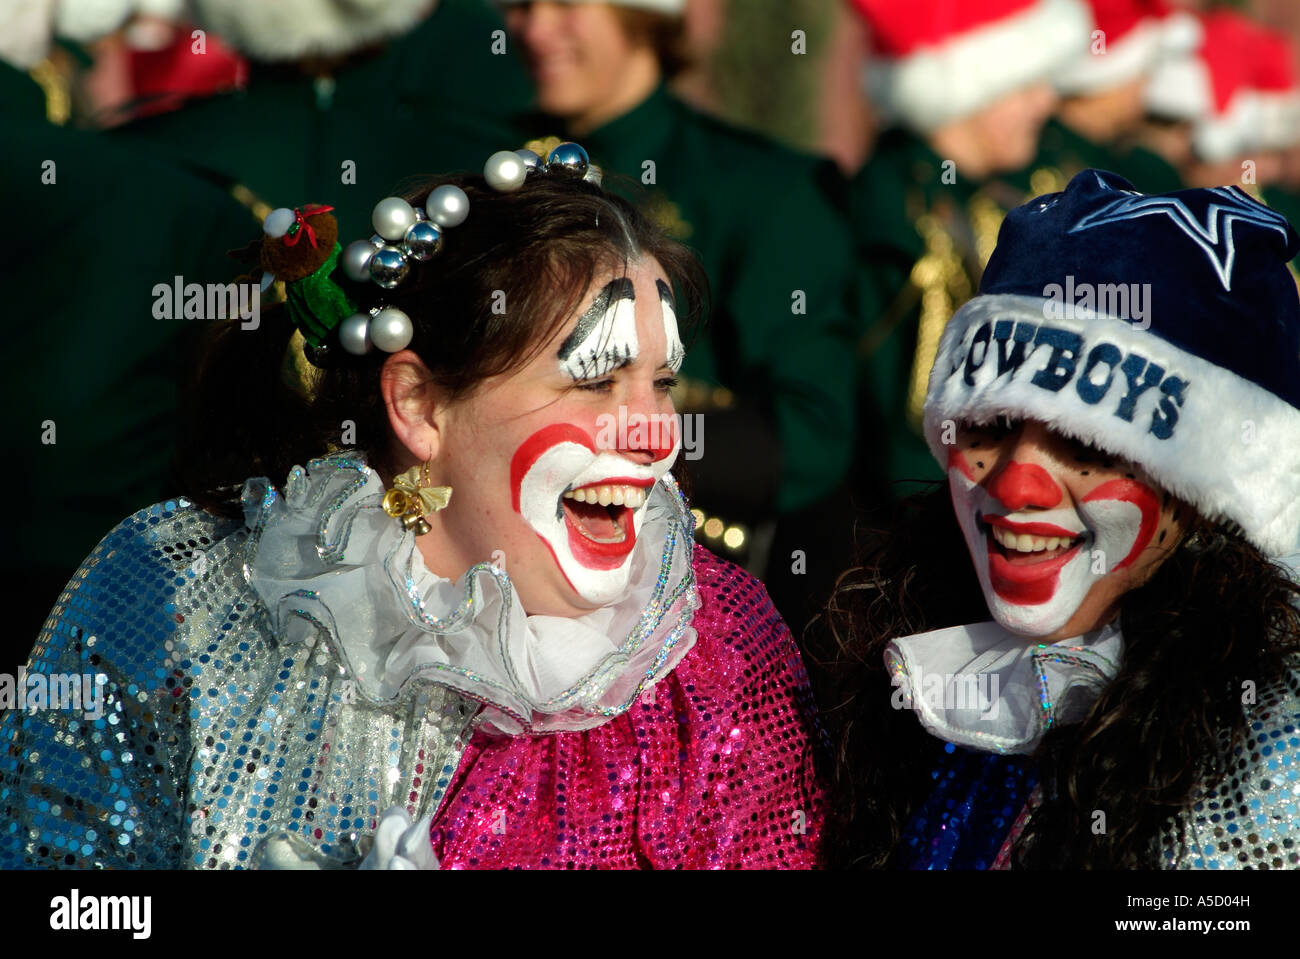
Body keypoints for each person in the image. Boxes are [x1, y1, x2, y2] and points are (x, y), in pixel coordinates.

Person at [0, 145, 826, 870]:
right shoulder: (184, 605)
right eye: (596, 379)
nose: (656, 432)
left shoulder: (714, 651)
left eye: (663, 382)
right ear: (421, 406)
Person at [815, 169, 1300, 868]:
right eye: (990, 425)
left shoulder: (1267, 762)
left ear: (1211, 496)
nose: (1018, 483)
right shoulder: (915, 693)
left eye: (1089, 444)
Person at [500, 0, 860, 616]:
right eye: (521, 6)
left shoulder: (761, 188)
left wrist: (603, 440)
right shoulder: (482, 164)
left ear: (641, 16)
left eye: (563, 4)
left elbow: (810, 433)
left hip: (674, 586)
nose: (532, 29)